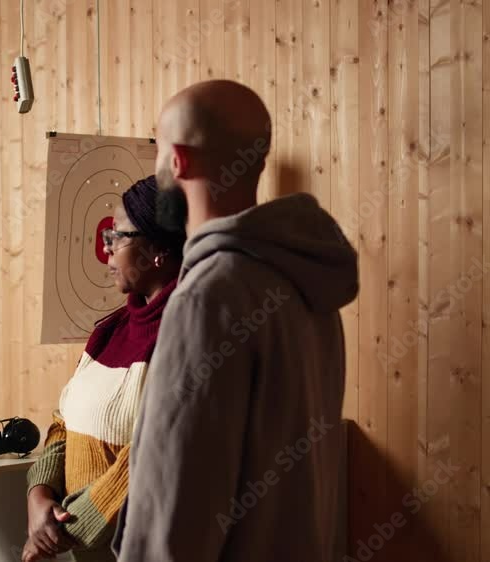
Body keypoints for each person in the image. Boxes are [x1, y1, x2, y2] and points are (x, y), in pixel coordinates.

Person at [114, 80, 359, 562]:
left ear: (178, 160)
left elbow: (175, 502)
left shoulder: (207, 297)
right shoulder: (308, 282)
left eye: (159, 151)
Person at [23, 176, 187, 562]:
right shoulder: (109, 330)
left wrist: (65, 530)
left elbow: (159, 450)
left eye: (117, 236)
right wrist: (40, 494)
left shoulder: (188, 333)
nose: (105, 247)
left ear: (158, 250)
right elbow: (64, 422)